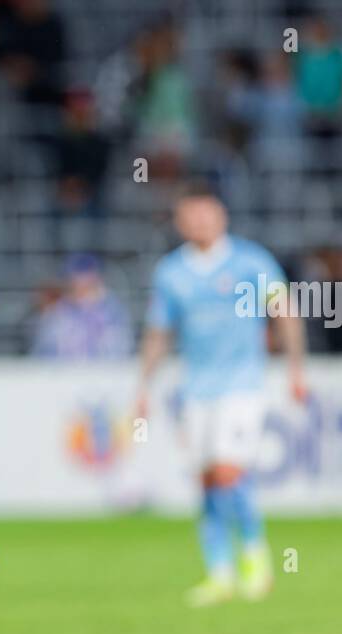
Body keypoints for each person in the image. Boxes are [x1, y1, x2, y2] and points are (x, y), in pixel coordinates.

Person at [134, 183, 307, 607]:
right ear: (179, 221)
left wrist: (296, 368)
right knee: (208, 479)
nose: (198, 222)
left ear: (221, 216)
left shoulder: (251, 261)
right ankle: (220, 573)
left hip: (242, 385)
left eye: (205, 214)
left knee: (230, 471)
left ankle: (255, 558)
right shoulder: (172, 271)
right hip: (195, 390)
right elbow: (159, 332)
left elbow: (284, 312)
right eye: (190, 216)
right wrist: (143, 385)